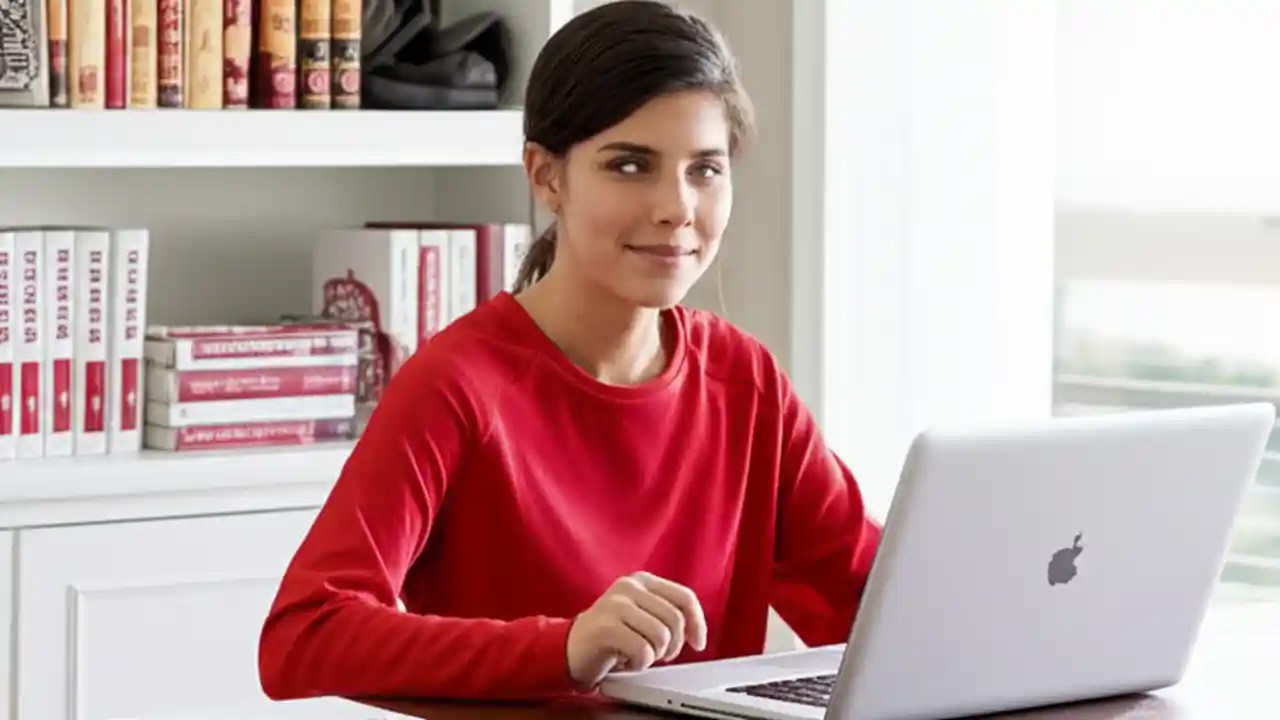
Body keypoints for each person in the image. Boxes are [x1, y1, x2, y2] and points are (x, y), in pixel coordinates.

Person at [257, 0, 881, 703]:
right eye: (630, 165)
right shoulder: (457, 384)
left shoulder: (745, 379)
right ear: (548, 177)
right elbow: (304, 638)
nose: (677, 207)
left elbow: (873, 602)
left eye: (705, 170)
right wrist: (566, 646)